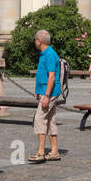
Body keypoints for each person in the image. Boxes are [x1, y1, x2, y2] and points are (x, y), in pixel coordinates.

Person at [29, 29, 62, 165]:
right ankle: (54, 151)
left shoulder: (49, 54)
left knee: (40, 119)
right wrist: (39, 91)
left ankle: (41, 152)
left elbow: (52, 77)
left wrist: (46, 95)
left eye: (35, 40)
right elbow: (43, 75)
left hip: (50, 92)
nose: (35, 42)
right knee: (50, 120)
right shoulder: (45, 54)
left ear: (39, 41)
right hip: (46, 91)